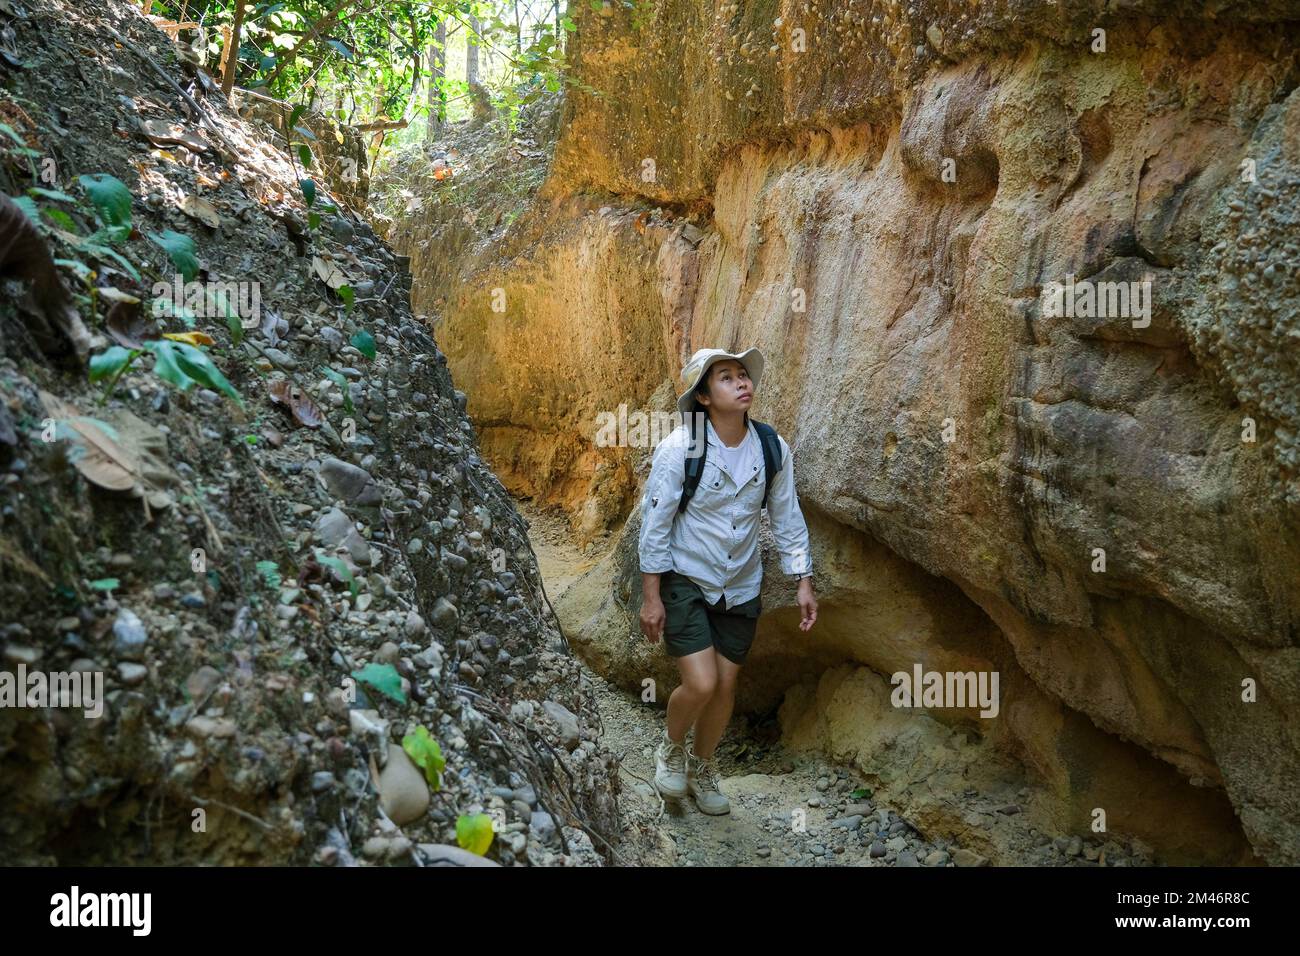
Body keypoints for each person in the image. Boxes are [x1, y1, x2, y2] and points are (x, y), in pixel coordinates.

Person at [637, 347, 817, 814]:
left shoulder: (772, 447)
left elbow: (786, 515)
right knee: (701, 683)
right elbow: (656, 524)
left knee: (725, 686)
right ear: (702, 397)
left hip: (740, 584)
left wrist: (802, 579)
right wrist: (651, 597)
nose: (741, 382)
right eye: (725, 377)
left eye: (743, 375)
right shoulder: (681, 447)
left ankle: (703, 765)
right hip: (686, 577)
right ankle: (671, 748)